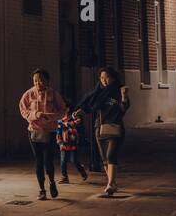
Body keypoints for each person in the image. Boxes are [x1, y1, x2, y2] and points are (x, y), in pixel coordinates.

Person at [75, 66, 130, 196]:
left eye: (107, 77)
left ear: (113, 78)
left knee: (111, 155)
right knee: (105, 159)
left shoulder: (118, 90)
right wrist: (80, 111)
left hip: (115, 127)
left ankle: (110, 184)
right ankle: (112, 182)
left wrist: (124, 97)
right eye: (102, 78)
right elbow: (89, 105)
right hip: (99, 127)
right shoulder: (98, 92)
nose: (104, 80)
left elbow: (124, 108)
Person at [19, 68, 67, 200]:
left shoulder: (54, 94)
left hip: (50, 131)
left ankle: (52, 182)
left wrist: (51, 117)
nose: (38, 83)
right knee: (38, 161)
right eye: (35, 80)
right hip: (34, 131)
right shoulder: (28, 94)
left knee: (48, 160)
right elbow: (23, 110)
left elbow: (63, 110)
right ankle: (41, 189)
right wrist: (35, 115)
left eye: (40, 80)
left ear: (47, 80)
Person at [56, 108, 89, 183]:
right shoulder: (60, 119)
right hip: (63, 142)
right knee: (63, 160)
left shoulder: (74, 116)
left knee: (74, 160)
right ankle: (64, 177)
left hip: (73, 142)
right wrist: (59, 141)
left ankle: (82, 171)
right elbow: (58, 131)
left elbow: (79, 122)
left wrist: (70, 122)